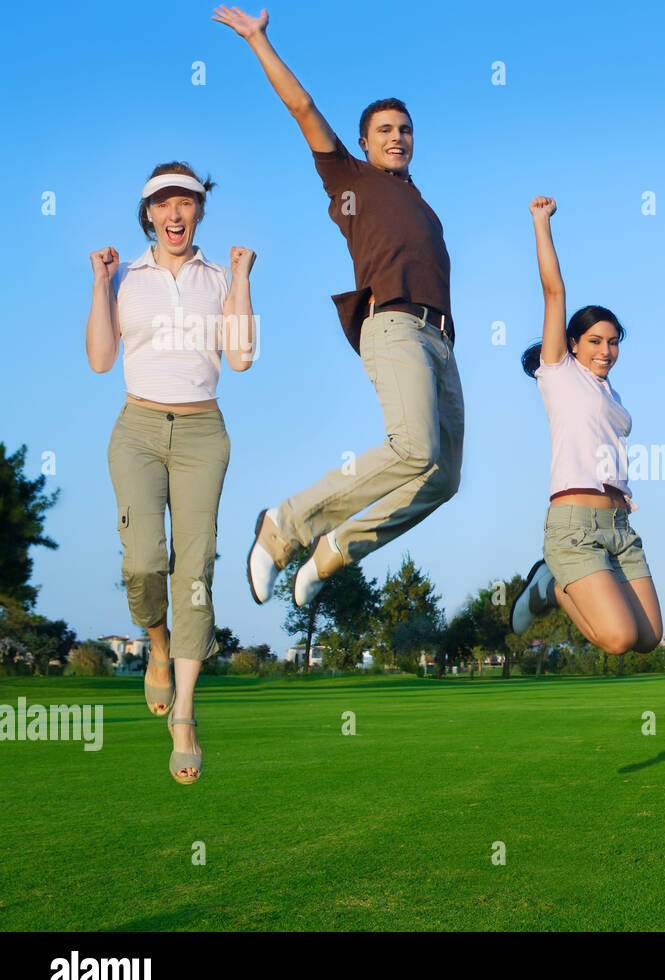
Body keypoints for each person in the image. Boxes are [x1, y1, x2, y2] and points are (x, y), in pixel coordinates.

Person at [214, 5, 462, 608]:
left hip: (442, 341)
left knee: (443, 477)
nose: (397, 137)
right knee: (413, 448)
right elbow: (303, 109)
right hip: (394, 323)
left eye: (405, 129)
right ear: (362, 143)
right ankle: (285, 527)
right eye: (385, 130)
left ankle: (335, 549)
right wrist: (259, 41)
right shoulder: (348, 179)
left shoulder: (419, 200)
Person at [86, 161, 257, 784]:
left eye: (187, 201)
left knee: (198, 565)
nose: (176, 212)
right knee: (142, 562)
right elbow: (102, 360)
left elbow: (239, 358)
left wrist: (240, 279)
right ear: (150, 215)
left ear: (199, 210)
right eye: (165, 204)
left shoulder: (217, 277)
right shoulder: (127, 275)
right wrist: (101, 283)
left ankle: (184, 712)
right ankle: (156, 646)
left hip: (202, 433)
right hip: (136, 429)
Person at [510, 197, 663, 656]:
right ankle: (553, 586)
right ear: (572, 344)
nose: (606, 349)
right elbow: (554, 291)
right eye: (595, 340)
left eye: (614, 342)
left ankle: (562, 583)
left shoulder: (609, 394)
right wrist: (541, 222)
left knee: (649, 638)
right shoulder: (558, 375)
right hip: (574, 525)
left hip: (618, 526)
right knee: (618, 639)